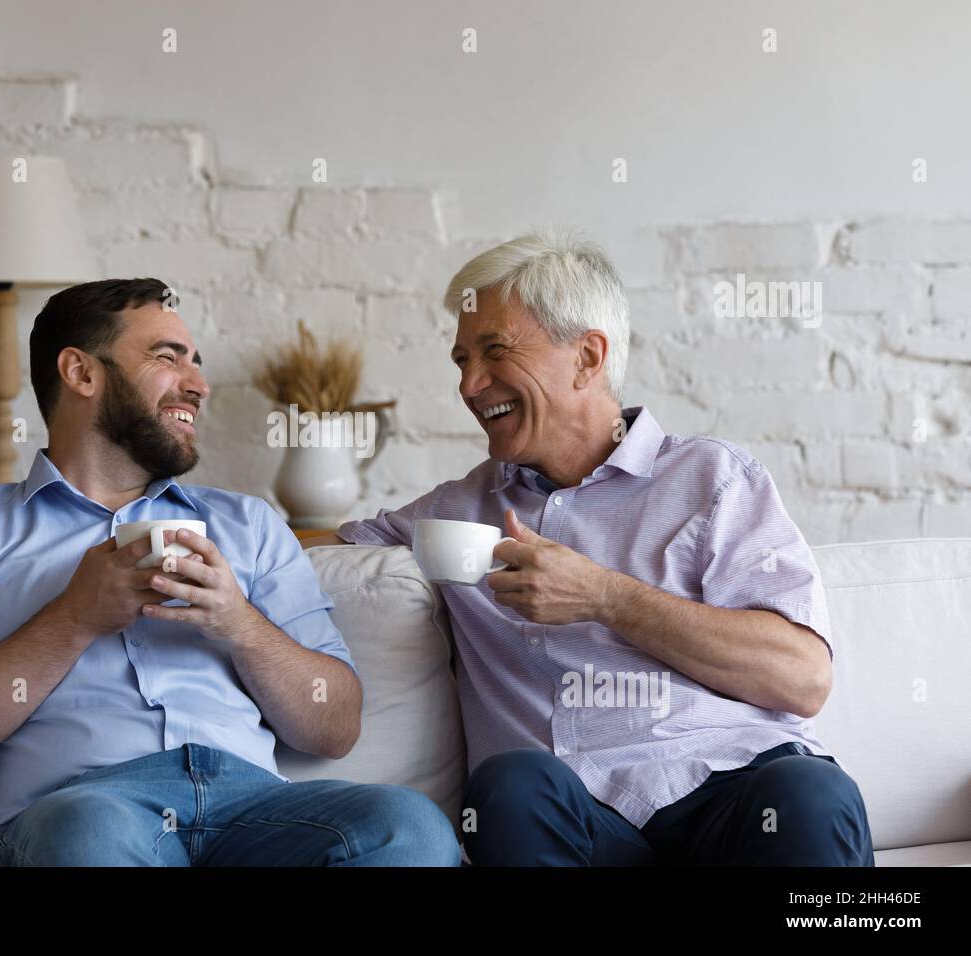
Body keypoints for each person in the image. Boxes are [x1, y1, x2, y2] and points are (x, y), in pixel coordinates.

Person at [306, 230, 874, 866]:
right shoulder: (456, 514)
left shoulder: (712, 480)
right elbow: (310, 548)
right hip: (573, 816)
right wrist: (194, 521)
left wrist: (606, 597)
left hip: (733, 794)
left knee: (810, 792)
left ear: (587, 356)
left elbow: (802, 678)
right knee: (508, 787)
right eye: (461, 360)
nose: (470, 384)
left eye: (494, 352)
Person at [0, 278, 460, 867]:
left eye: (196, 363)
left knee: (407, 826)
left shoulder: (249, 525)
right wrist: (74, 618)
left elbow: (335, 728)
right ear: (81, 374)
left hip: (253, 811)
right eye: (167, 357)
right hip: (88, 805)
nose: (199, 385)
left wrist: (241, 624)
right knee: (87, 833)